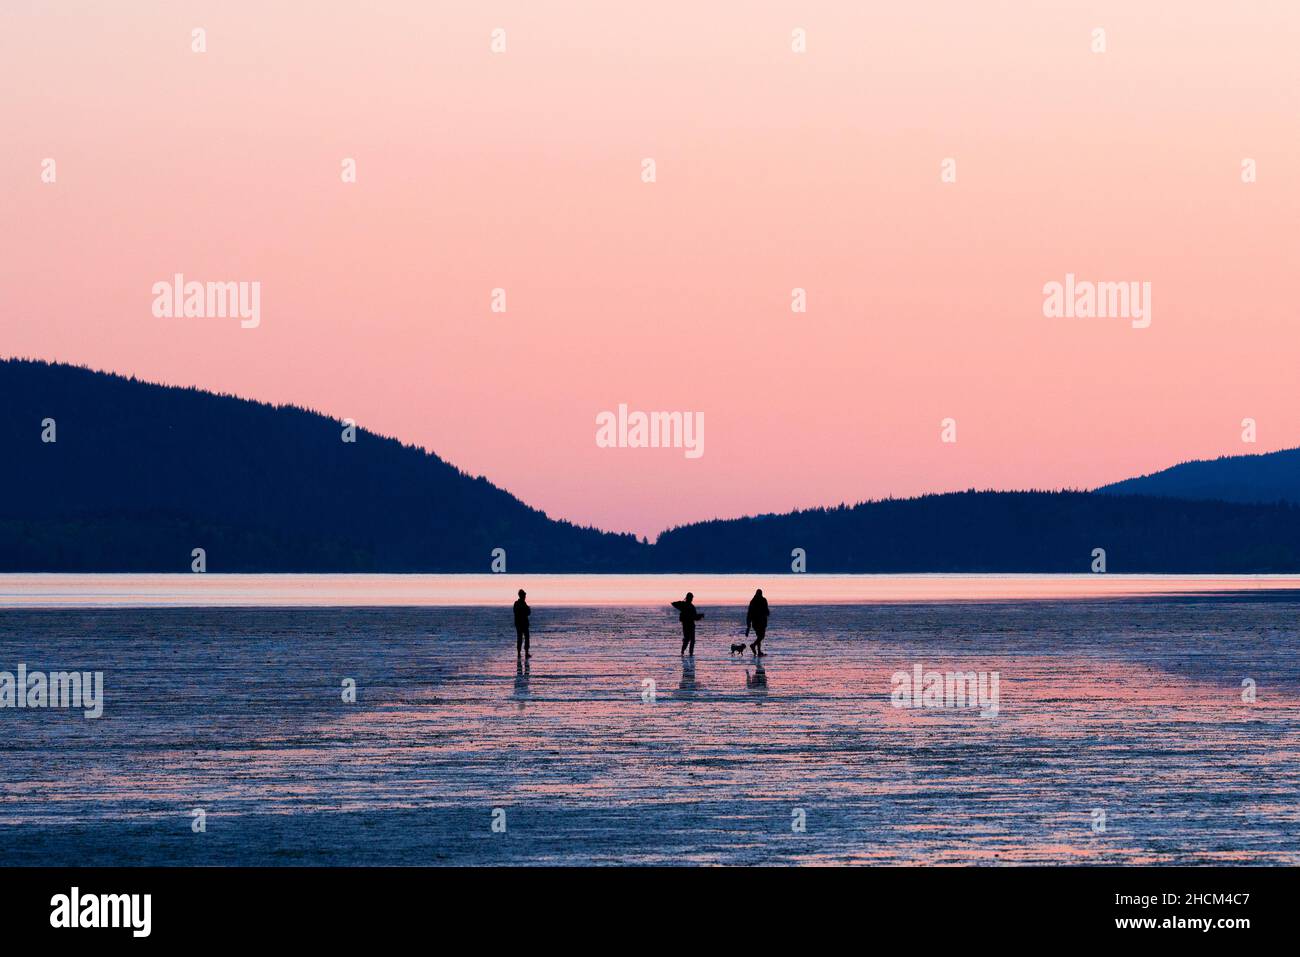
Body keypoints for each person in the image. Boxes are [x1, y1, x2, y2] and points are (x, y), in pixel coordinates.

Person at [671, 592, 704, 656]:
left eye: (692, 598)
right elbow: (674, 604)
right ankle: (683, 651)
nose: (691, 599)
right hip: (686, 625)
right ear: (688, 598)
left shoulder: (690, 606)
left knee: (691, 640)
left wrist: (700, 616)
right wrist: (681, 604)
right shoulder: (685, 605)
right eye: (691, 598)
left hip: (690, 625)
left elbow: (694, 617)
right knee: (687, 639)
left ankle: (689, 652)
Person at [745, 588, 770, 656]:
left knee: (759, 636)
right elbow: (766, 610)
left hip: (756, 623)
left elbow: (749, 613)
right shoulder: (763, 600)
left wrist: (748, 624)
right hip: (761, 622)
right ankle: (753, 645)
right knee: (761, 636)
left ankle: (759, 652)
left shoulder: (753, 601)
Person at [513, 589, 531, 658]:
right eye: (524, 595)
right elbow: (528, 612)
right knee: (524, 638)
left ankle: (520, 653)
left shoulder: (518, 603)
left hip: (519, 624)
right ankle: (523, 653)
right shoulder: (521, 603)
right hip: (522, 624)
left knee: (520, 638)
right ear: (522, 595)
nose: (525, 597)